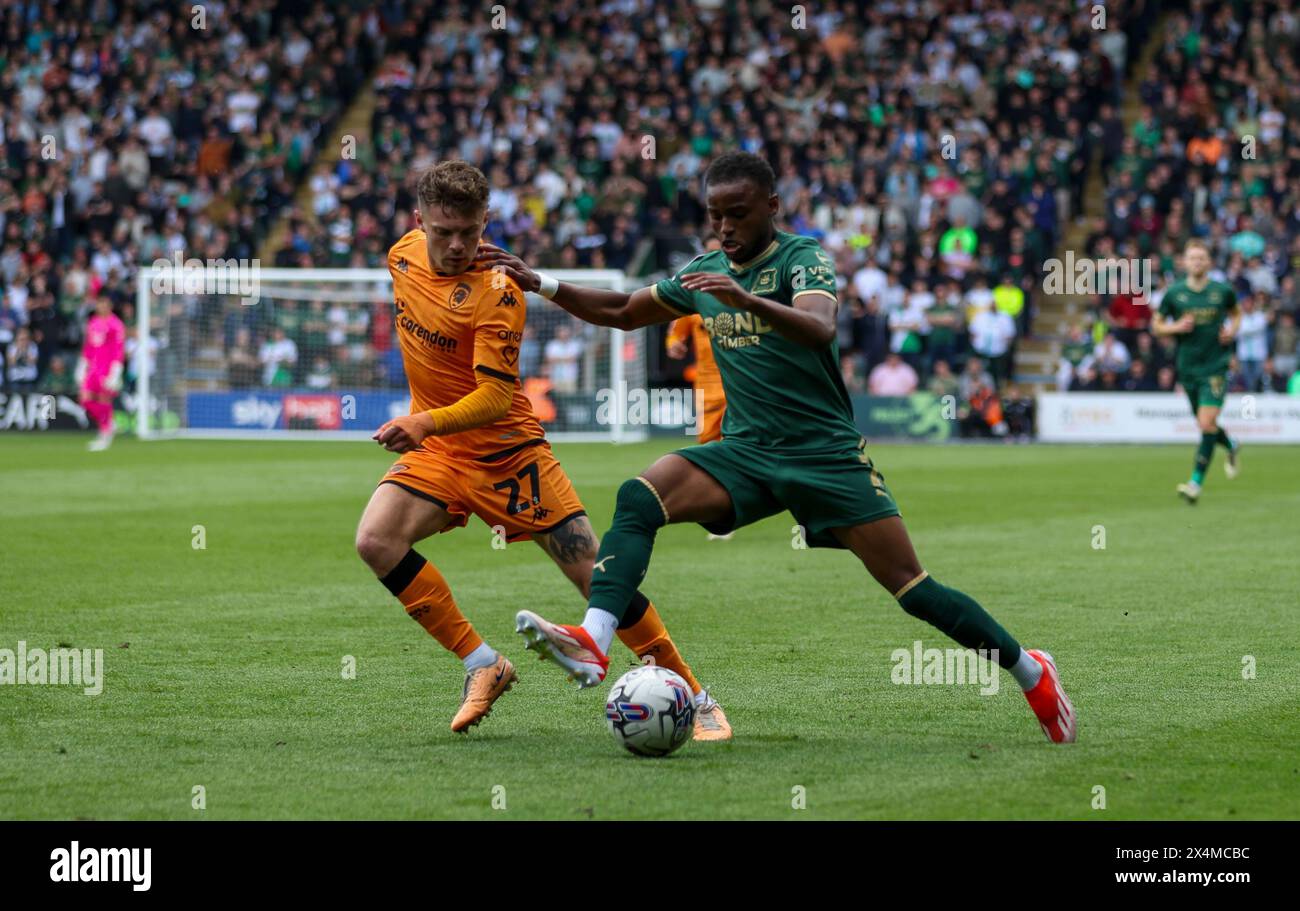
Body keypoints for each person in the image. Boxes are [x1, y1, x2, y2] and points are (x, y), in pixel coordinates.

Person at [479, 151, 1076, 743]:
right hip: (746, 451)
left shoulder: (802, 258)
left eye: (737, 214)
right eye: (715, 215)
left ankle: (1031, 671)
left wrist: (744, 301)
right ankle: (594, 641)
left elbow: (818, 327)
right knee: (640, 496)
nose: (725, 228)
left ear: (771, 207)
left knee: (912, 588)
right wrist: (544, 283)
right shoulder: (704, 271)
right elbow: (623, 310)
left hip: (825, 455)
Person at [355, 161, 730, 739]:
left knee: (597, 579)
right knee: (376, 539)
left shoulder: (498, 291)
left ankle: (698, 699)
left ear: (487, 221)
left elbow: (496, 397)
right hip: (442, 455)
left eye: (470, 232)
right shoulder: (400, 255)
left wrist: (423, 421)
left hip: (511, 457)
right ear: (418, 223)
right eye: (443, 232)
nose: (457, 245)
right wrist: (430, 427)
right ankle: (484, 665)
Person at [1151, 239, 1241, 504]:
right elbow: (1156, 325)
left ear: (1209, 262)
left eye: (1202, 258)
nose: (1197, 262)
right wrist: (1175, 327)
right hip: (1187, 367)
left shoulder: (1222, 291)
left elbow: (1236, 314)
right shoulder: (1175, 294)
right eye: (1193, 258)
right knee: (1207, 425)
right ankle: (1232, 445)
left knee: (1205, 423)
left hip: (1215, 365)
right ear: (1185, 262)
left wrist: (1232, 331)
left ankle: (1195, 483)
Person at [76, 295, 125, 451]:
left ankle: (105, 435)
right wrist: (82, 365)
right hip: (93, 368)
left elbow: (119, 349)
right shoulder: (93, 323)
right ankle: (109, 423)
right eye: (99, 305)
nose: (101, 307)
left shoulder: (116, 325)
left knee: (104, 400)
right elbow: (88, 346)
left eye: (104, 305)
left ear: (109, 306)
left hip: (107, 368)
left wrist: (116, 371)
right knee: (84, 399)